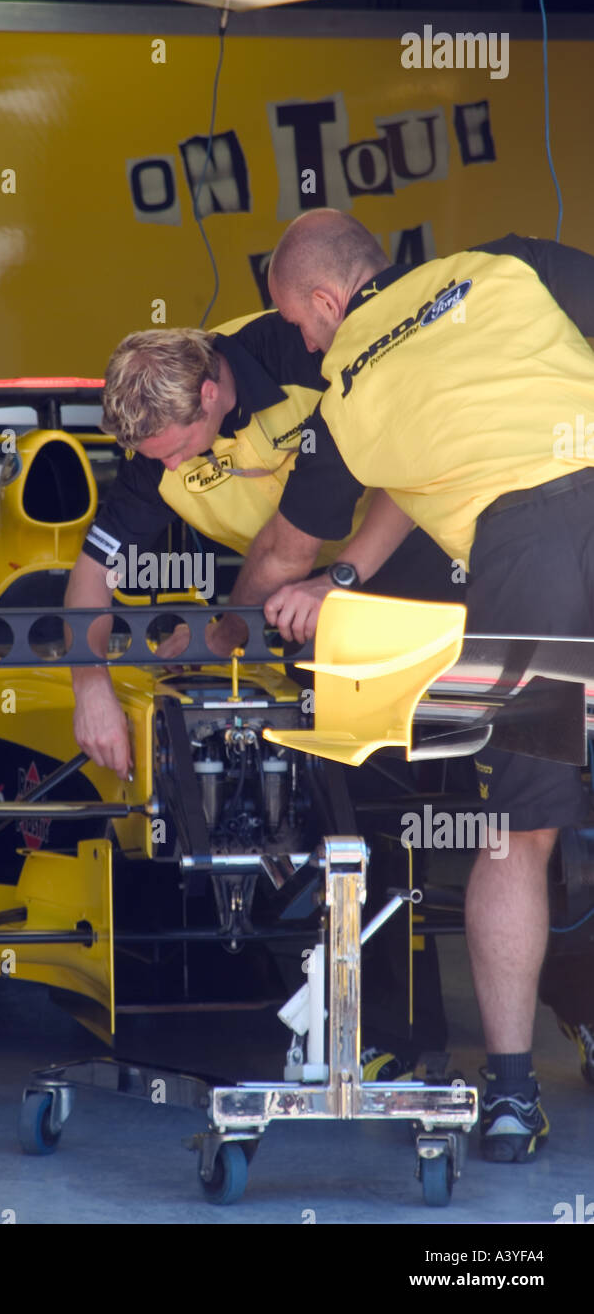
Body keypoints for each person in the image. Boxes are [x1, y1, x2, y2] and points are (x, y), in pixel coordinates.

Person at [257, 206, 594, 1162]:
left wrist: (322, 588)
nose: (308, 341)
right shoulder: (502, 266)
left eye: (301, 322)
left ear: (326, 301)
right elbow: (438, 452)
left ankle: (513, 1096)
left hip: (523, 561)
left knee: (511, 836)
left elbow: (290, 549)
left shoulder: (345, 397)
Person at [65, 311, 457, 779]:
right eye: (158, 457)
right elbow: (92, 573)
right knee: (343, 761)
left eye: (176, 448)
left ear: (209, 395)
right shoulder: (152, 461)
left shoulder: (304, 348)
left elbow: (415, 452)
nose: (170, 467)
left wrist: (221, 637)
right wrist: (90, 687)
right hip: (316, 598)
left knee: (462, 723)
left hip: (428, 545)